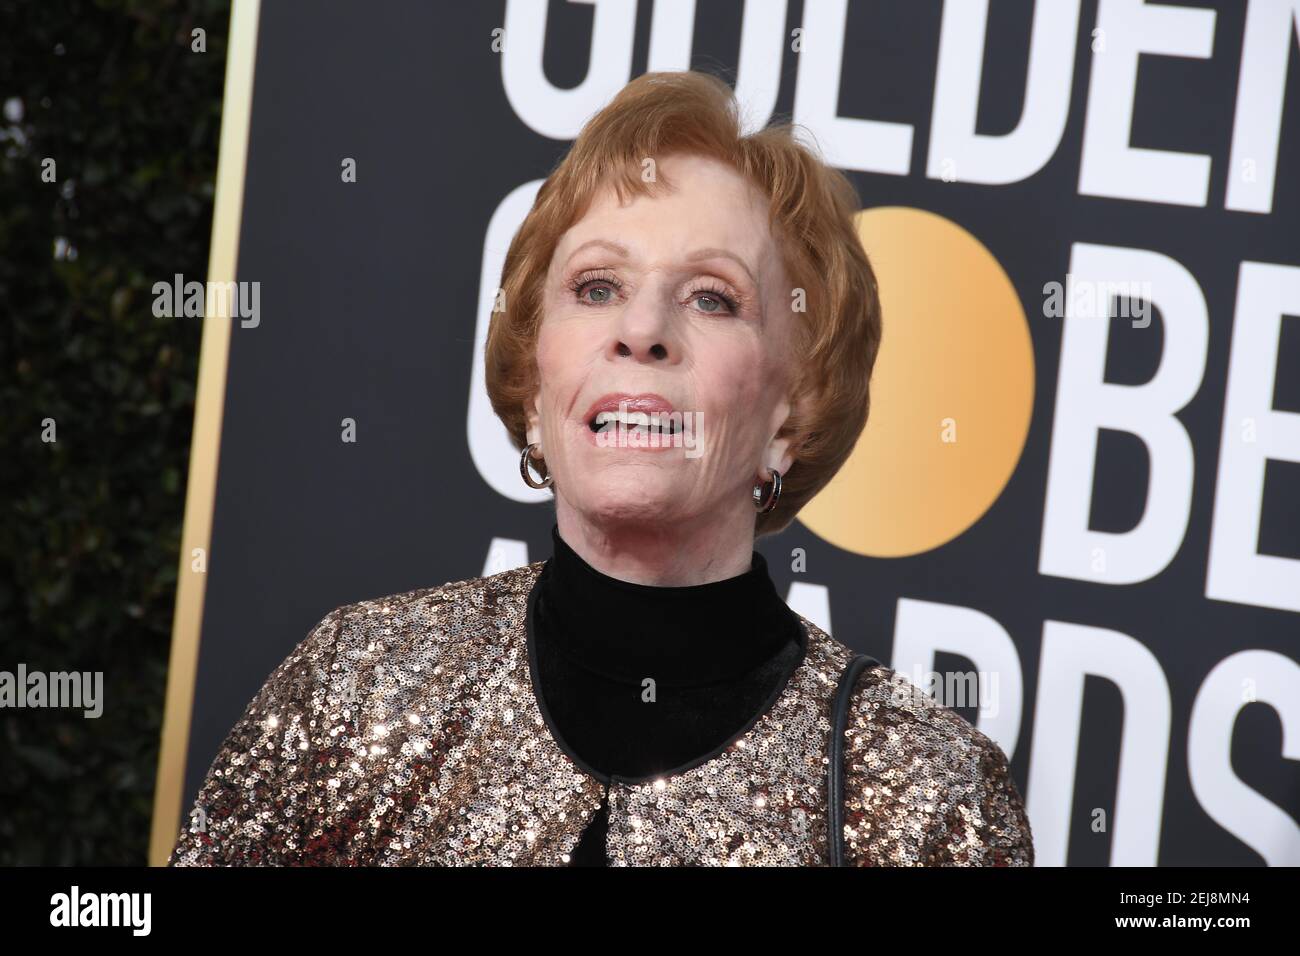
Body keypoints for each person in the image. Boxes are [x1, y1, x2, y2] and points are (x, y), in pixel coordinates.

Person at [168, 70, 1033, 867]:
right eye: (596, 287)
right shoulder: (357, 686)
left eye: (712, 297)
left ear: (791, 411)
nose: (642, 327)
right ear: (534, 386)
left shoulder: (931, 797)